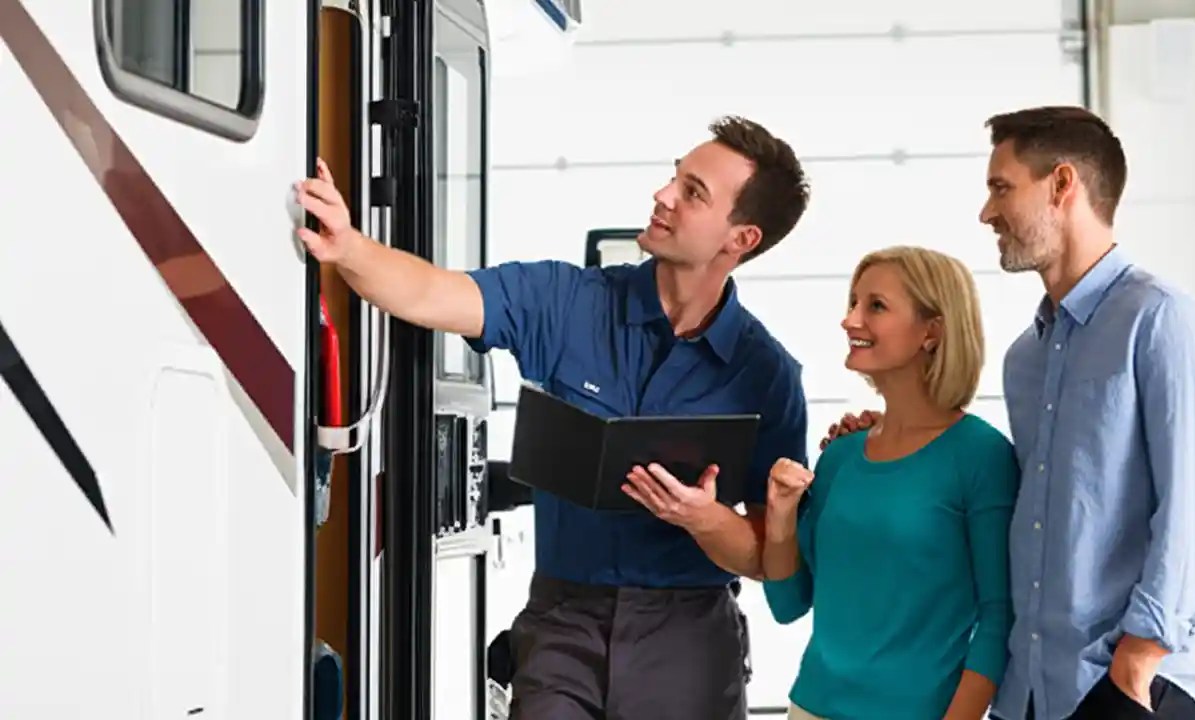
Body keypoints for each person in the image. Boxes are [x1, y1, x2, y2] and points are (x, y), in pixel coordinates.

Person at [295, 115, 813, 720]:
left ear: (740, 239)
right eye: (674, 178)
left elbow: (766, 555)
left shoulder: (768, 377)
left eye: (693, 192)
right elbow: (432, 294)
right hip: (562, 624)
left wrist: (702, 519)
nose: (663, 195)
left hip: (689, 639)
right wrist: (349, 247)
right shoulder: (566, 301)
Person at [824, 106, 1195, 720]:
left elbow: (1193, 510)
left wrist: (1138, 658)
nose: (987, 212)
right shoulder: (1027, 357)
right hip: (1032, 693)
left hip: (1131, 687)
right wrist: (891, 441)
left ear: (1062, 185)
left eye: (1001, 188)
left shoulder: (1160, 321)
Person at [763, 246, 1018, 720]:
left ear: (932, 331)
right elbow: (787, 602)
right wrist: (780, 512)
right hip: (810, 707)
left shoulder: (982, 457)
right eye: (852, 303)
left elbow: (997, 619)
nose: (850, 320)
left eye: (874, 306)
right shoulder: (839, 455)